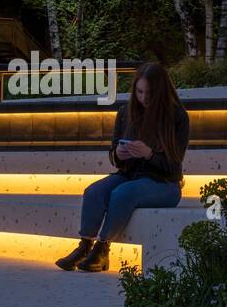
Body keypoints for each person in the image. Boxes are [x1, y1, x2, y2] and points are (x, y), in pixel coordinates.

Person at [56, 61, 189, 273]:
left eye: (150, 93)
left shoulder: (177, 117)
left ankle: (102, 248)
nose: (144, 98)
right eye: (140, 92)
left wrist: (149, 154)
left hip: (164, 183)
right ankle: (84, 245)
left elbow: (173, 166)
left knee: (122, 194)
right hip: (130, 174)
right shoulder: (126, 112)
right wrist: (118, 154)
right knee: (93, 192)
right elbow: (114, 155)